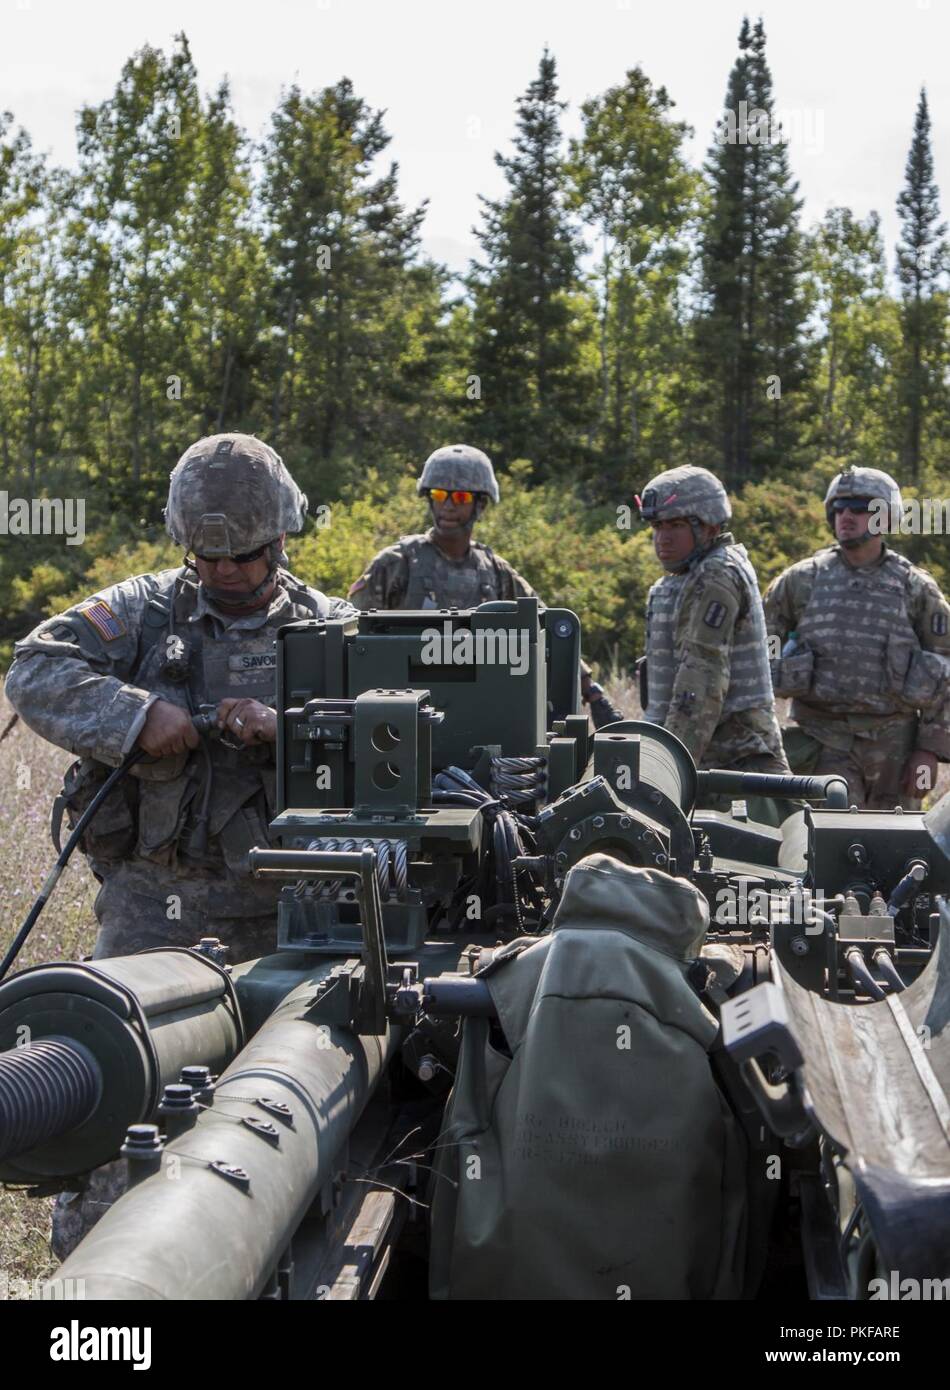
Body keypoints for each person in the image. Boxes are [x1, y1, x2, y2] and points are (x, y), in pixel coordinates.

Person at [5, 432, 355, 967]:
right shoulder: (140, 610)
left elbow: (392, 729)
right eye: (206, 556)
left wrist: (287, 728)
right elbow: (34, 667)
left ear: (281, 538)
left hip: (296, 908)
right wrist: (136, 715)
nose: (223, 570)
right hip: (152, 905)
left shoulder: (332, 626)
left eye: (241, 555)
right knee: (112, 1041)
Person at [347, 443, 624, 727]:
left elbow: (548, 626)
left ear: (480, 504)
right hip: (406, 713)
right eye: (440, 495)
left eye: (461, 497)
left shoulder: (493, 570)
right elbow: (352, 636)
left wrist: (592, 693)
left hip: (482, 711)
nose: (448, 505)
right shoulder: (397, 563)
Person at [764, 466, 950, 810]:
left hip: (898, 748)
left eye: (859, 507)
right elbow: (759, 651)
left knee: (900, 849)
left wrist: (929, 751)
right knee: (830, 847)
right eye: (839, 508)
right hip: (822, 743)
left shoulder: (916, 588)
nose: (846, 515)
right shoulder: (800, 582)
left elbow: (946, 666)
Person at [638, 465, 790, 791]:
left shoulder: (717, 574)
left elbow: (701, 684)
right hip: (710, 764)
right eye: (657, 526)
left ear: (708, 526)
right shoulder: (681, 581)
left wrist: (664, 774)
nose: (662, 538)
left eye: (676, 525)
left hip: (738, 766)